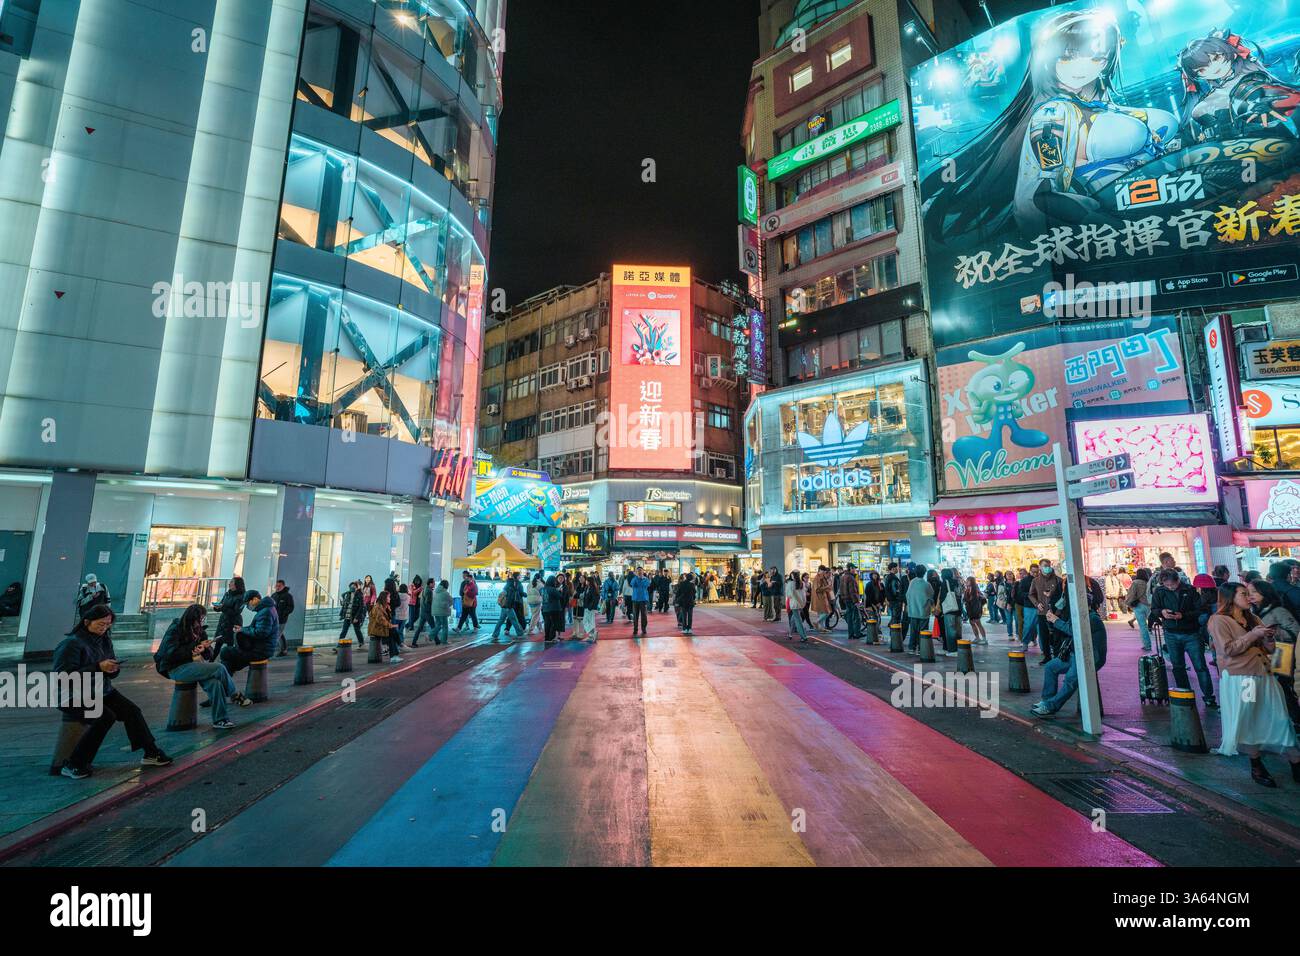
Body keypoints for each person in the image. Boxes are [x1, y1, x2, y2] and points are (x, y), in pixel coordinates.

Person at [54, 606, 172, 778]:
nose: (104, 628)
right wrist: (98, 667)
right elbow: (63, 677)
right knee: (105, 717)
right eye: (100, 624)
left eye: (108, 625)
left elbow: (109, 666)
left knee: (132, 711)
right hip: (74, 695)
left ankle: (151, 752)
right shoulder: (71, 643)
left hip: (102, 690)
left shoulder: (104, 640)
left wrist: (112, 669)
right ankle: (75, 763)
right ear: (87, 622)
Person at [1206, 583, 1300, 787]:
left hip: (1265, 675)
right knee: (1249, 719)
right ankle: (1256, 764)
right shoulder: (1218, 620)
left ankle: (1296, 761)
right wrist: (1253, 635)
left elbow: (1269, 650)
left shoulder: (1253, 618)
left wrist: (1268, 639)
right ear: (1230, 597)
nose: (1248, 597)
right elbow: (1227, 649)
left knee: (1281, 718)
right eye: (1243, 594)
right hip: (1243, 679)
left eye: (1249, 594)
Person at [155, 603, 248, 729]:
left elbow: (209, 655)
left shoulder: (200, 631)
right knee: (219, 668)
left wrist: (205, 648)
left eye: (203, 618)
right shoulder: (176, 628)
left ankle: (220, 720)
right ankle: (234, 695)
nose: (201, 622)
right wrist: (192, 649)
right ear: (192, 618)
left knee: (215, 683)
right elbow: (170, 653)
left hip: (195, 665)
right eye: (200, 619)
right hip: (175, 667)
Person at [1030, 585, 1108, 719]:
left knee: (1070, 681)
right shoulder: (1079, 615)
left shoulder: (1092, 618)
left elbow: (1075, 632)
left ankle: (1050, 707)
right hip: (1075, 654)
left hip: (1089, 656)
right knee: (1051, 667)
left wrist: (1056, 621)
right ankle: (1047, 701)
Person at [1149, 568, 1217, 708]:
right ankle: (1185, 696)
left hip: (1191, 633)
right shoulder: (1160, 592)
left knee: (1200, 666)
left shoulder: (1190, 591)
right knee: (1178, 666)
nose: (1169, 587)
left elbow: (1201, 610)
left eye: (1172, 584)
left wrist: (1183, 615)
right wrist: (1162, 612)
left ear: (1177, 580)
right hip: (1171, 633)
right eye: (1166, 585)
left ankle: (1209, 698)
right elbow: (1154, 609)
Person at [1247, 579, 1300, 726]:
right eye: (1248, 592)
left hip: (1282, 655)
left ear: (1265, 593)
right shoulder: (1252, 612)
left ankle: (1295, 720)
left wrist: (1274, 632)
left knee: (1284, 688)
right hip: (1265, 656)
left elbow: (1295, 632)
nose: (1250, 595)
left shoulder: (1279, 611)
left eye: (1254, 592)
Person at [219, 590, 278, 679]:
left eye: (247, 604)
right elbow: (257, 629)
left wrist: (242, 630)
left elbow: (261, 633)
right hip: (260, 648)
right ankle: (226, 681)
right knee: (228, 659)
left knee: (225, 653)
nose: (247, 607)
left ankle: (225, 682)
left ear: (254, 599)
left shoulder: (266, 612)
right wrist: (242, 629)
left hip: (261, 650)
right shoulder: (266, 610)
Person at [1028, 559, 1062, 663]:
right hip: (1042, 612)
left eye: (1049, 565)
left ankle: (1057, 656)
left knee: (1056, 634)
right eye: (1045, 565)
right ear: (1040, 567)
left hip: (1055, 612)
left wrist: (1054, 599)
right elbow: (1031, 594)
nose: (1047, 567)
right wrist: (1037, 603)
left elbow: (1062, 595)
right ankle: (1047, 656)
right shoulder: (1036, 581)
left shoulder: (1058, 580)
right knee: (1044, 635)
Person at [491, 572, 525, 642]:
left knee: (501, 620)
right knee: (514, 620)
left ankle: (495, 634)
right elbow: (510, 598)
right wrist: (510, 606)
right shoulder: (511, 588)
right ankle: (520, 633)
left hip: (504, 607)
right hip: (508, 607)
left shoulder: (506, 586)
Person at [905, 564, 932, 653]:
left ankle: (912, 648)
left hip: (913, 611)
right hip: (924, 612)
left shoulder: (912, 582)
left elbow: (907, 595)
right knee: (923, 631)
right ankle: (922, 648)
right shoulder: (927, 584)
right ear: (924, 573)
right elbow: (931, 595)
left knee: (913, 631)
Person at [1125, 568, 1153, 652]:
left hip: (1139, 606)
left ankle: (1147, 645)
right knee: (1152, 625)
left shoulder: (1135, 583)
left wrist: (1129, 604)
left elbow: (1131, 594)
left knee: (1143, 626)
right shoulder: (1148, 582)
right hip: (1149, 605)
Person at [369, 590, 399, 663]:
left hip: (382, 628)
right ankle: (399, 647)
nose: (390, 598)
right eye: (388, 597)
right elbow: (381, 620)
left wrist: (391, 625)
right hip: (376, 629)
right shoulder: (378, 607)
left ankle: (395, 654)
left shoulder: (386, 606)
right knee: (391, 633)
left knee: (392, 632)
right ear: (384, 598)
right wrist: (391, 625)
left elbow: (387, 620)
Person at [271, 580, 295, 656]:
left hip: (282, 619)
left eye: (279, 586)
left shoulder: (288, 596)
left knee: (276, 634)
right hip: (273, 618)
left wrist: (284, 614)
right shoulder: (274, 595)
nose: (277, 587)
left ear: (283, 586)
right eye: (276, 586)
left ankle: (270, 651)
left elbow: (291, 607)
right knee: (280, 634)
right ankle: (284, 650)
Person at [785, 571, 809, 643]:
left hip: (794, 604)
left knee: (797, 620)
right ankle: (790, 633)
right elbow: (804, 594)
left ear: (792, 576)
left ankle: (803, 636)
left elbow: (789, 595)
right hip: (800, 603)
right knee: (794, 618)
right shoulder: (802, 583)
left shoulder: (790, 584)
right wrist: (803, 603)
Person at [964, 576, 988, 644]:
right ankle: (977, 638)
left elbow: (975, 602)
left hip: (975, 610)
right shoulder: (969, 589)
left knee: (978, 623)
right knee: (973, 624)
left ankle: (984, 639)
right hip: (971, 610)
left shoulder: (974, 590)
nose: (966, 582)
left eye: (968, 580)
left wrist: (975, 612)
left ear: (972, 582)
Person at [541, 575, 564, 643]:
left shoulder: (543, 589)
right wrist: (560, 591)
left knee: (547, 624)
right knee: (553, 624)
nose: (555, 582)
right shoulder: (553, 589)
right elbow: (560, 597)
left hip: (545, 609)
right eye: (554, 581)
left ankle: (547, 638)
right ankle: (551, 638)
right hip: (554, 609)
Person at [811, 567, 834, 632]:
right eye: (828, 574)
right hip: (820, 598)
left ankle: (821, 628)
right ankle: (816, 622)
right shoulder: (818, 578)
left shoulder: (821, 577)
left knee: (821, 613)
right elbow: (818, 589)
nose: (829, 576)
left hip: (822, 597)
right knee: (827, 612)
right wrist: (827, 587)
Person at [629, 567, 650, 637]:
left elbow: (646, 585)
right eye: (638, 571)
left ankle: (643, 628)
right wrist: (636, 577)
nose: (639, 572)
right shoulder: (634, 579)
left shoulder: (646, 579)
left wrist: (641, 579)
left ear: (643, 571)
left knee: (644, 615)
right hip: (635, 599)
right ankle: (635, 629)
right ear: (636, 572)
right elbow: (632, 584)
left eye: (640, 571)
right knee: (635, 615)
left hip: (643, 599)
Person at [884, 563, 906, 631]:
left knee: (894, 617)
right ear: (893, 568)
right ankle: (895, 635)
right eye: (897, 568)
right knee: (896, 618)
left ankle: (894, 635)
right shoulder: (893, 578)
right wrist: (899, 597)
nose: (898, 569)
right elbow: (895, 590)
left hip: (891, 600)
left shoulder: (888, 577)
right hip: (895, 601)